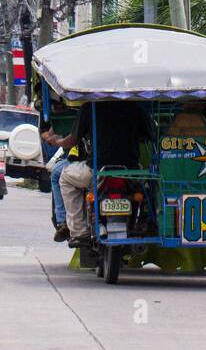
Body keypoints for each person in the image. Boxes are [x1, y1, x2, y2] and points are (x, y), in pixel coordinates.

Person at [57, 102, 150, 248]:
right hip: (130, 172)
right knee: (148, 187)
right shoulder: (135, 106)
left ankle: (79, 232)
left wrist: (57, 141)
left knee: (65, 177)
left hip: (96, 171)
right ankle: (145, 221)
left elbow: (72, 140)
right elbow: (148, 135)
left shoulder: (89, 107)